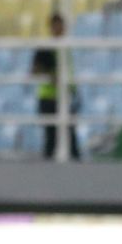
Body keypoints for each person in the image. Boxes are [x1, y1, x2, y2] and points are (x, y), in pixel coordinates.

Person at [32, 13, 80, 160]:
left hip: (65, 95)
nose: (59, 28)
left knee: (70, 133)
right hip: (48, 96)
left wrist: (74, 90)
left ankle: (75, 162)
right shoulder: (46, 47)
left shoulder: (66, 48)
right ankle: (48, 166)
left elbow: (69, 72)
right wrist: (50, 74)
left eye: (61, 25)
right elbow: (35, 69)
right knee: (51, 135)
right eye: (56, 25)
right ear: (51, 27)